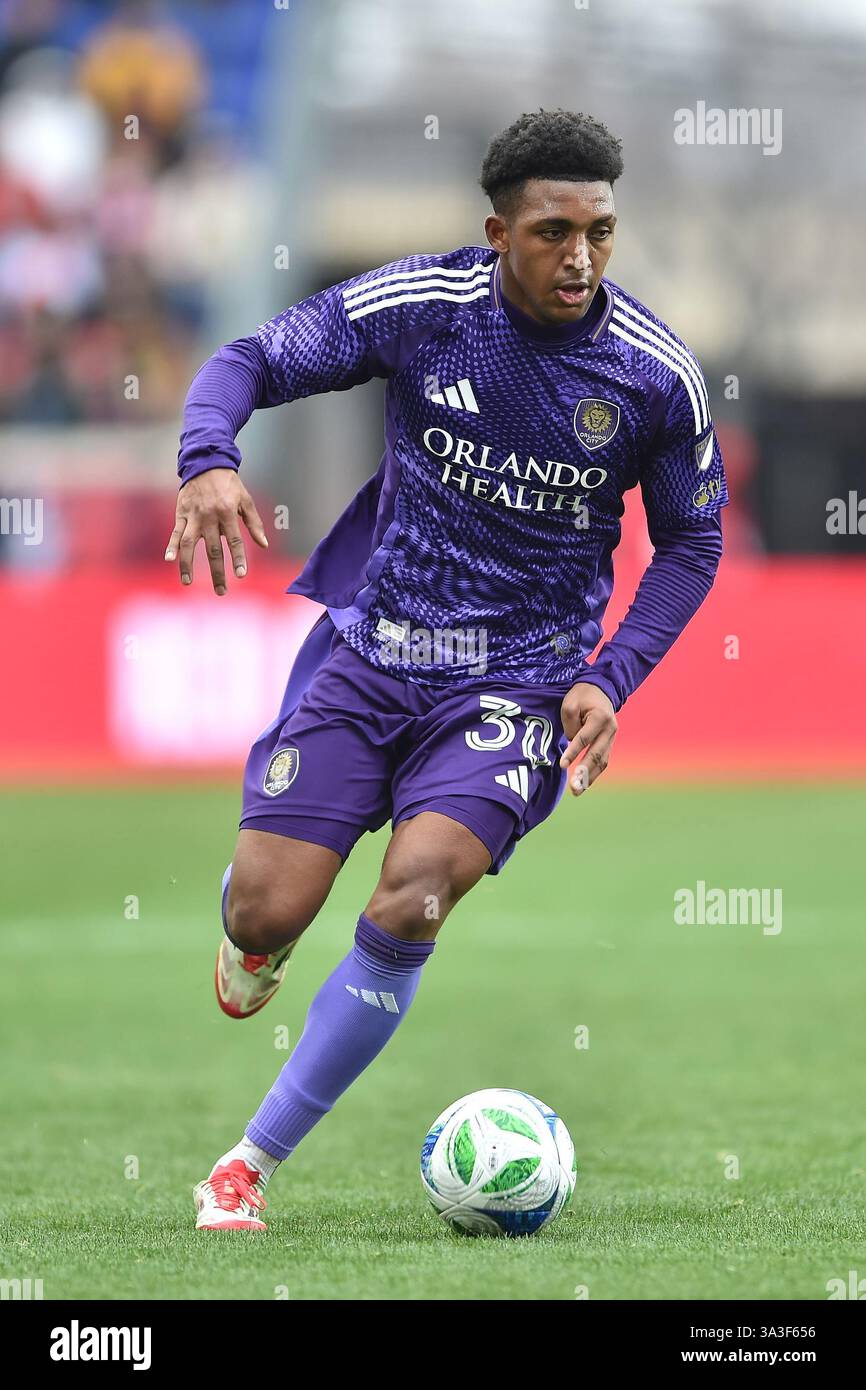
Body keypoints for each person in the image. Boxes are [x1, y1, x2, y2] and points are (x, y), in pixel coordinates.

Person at [166, 109, 727, 1231]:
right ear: (496, 231)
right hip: (373, 654)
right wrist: (207, 460)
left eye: (600, 232)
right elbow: (249, 359)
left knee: (418, 886)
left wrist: (609, 677)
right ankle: (249, 940)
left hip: (516, 687)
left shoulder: (652, 376)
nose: (579, 257)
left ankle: (248, 1162)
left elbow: (691, 542)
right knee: (269, 907)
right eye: (553, 231)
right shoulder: (422, 307)